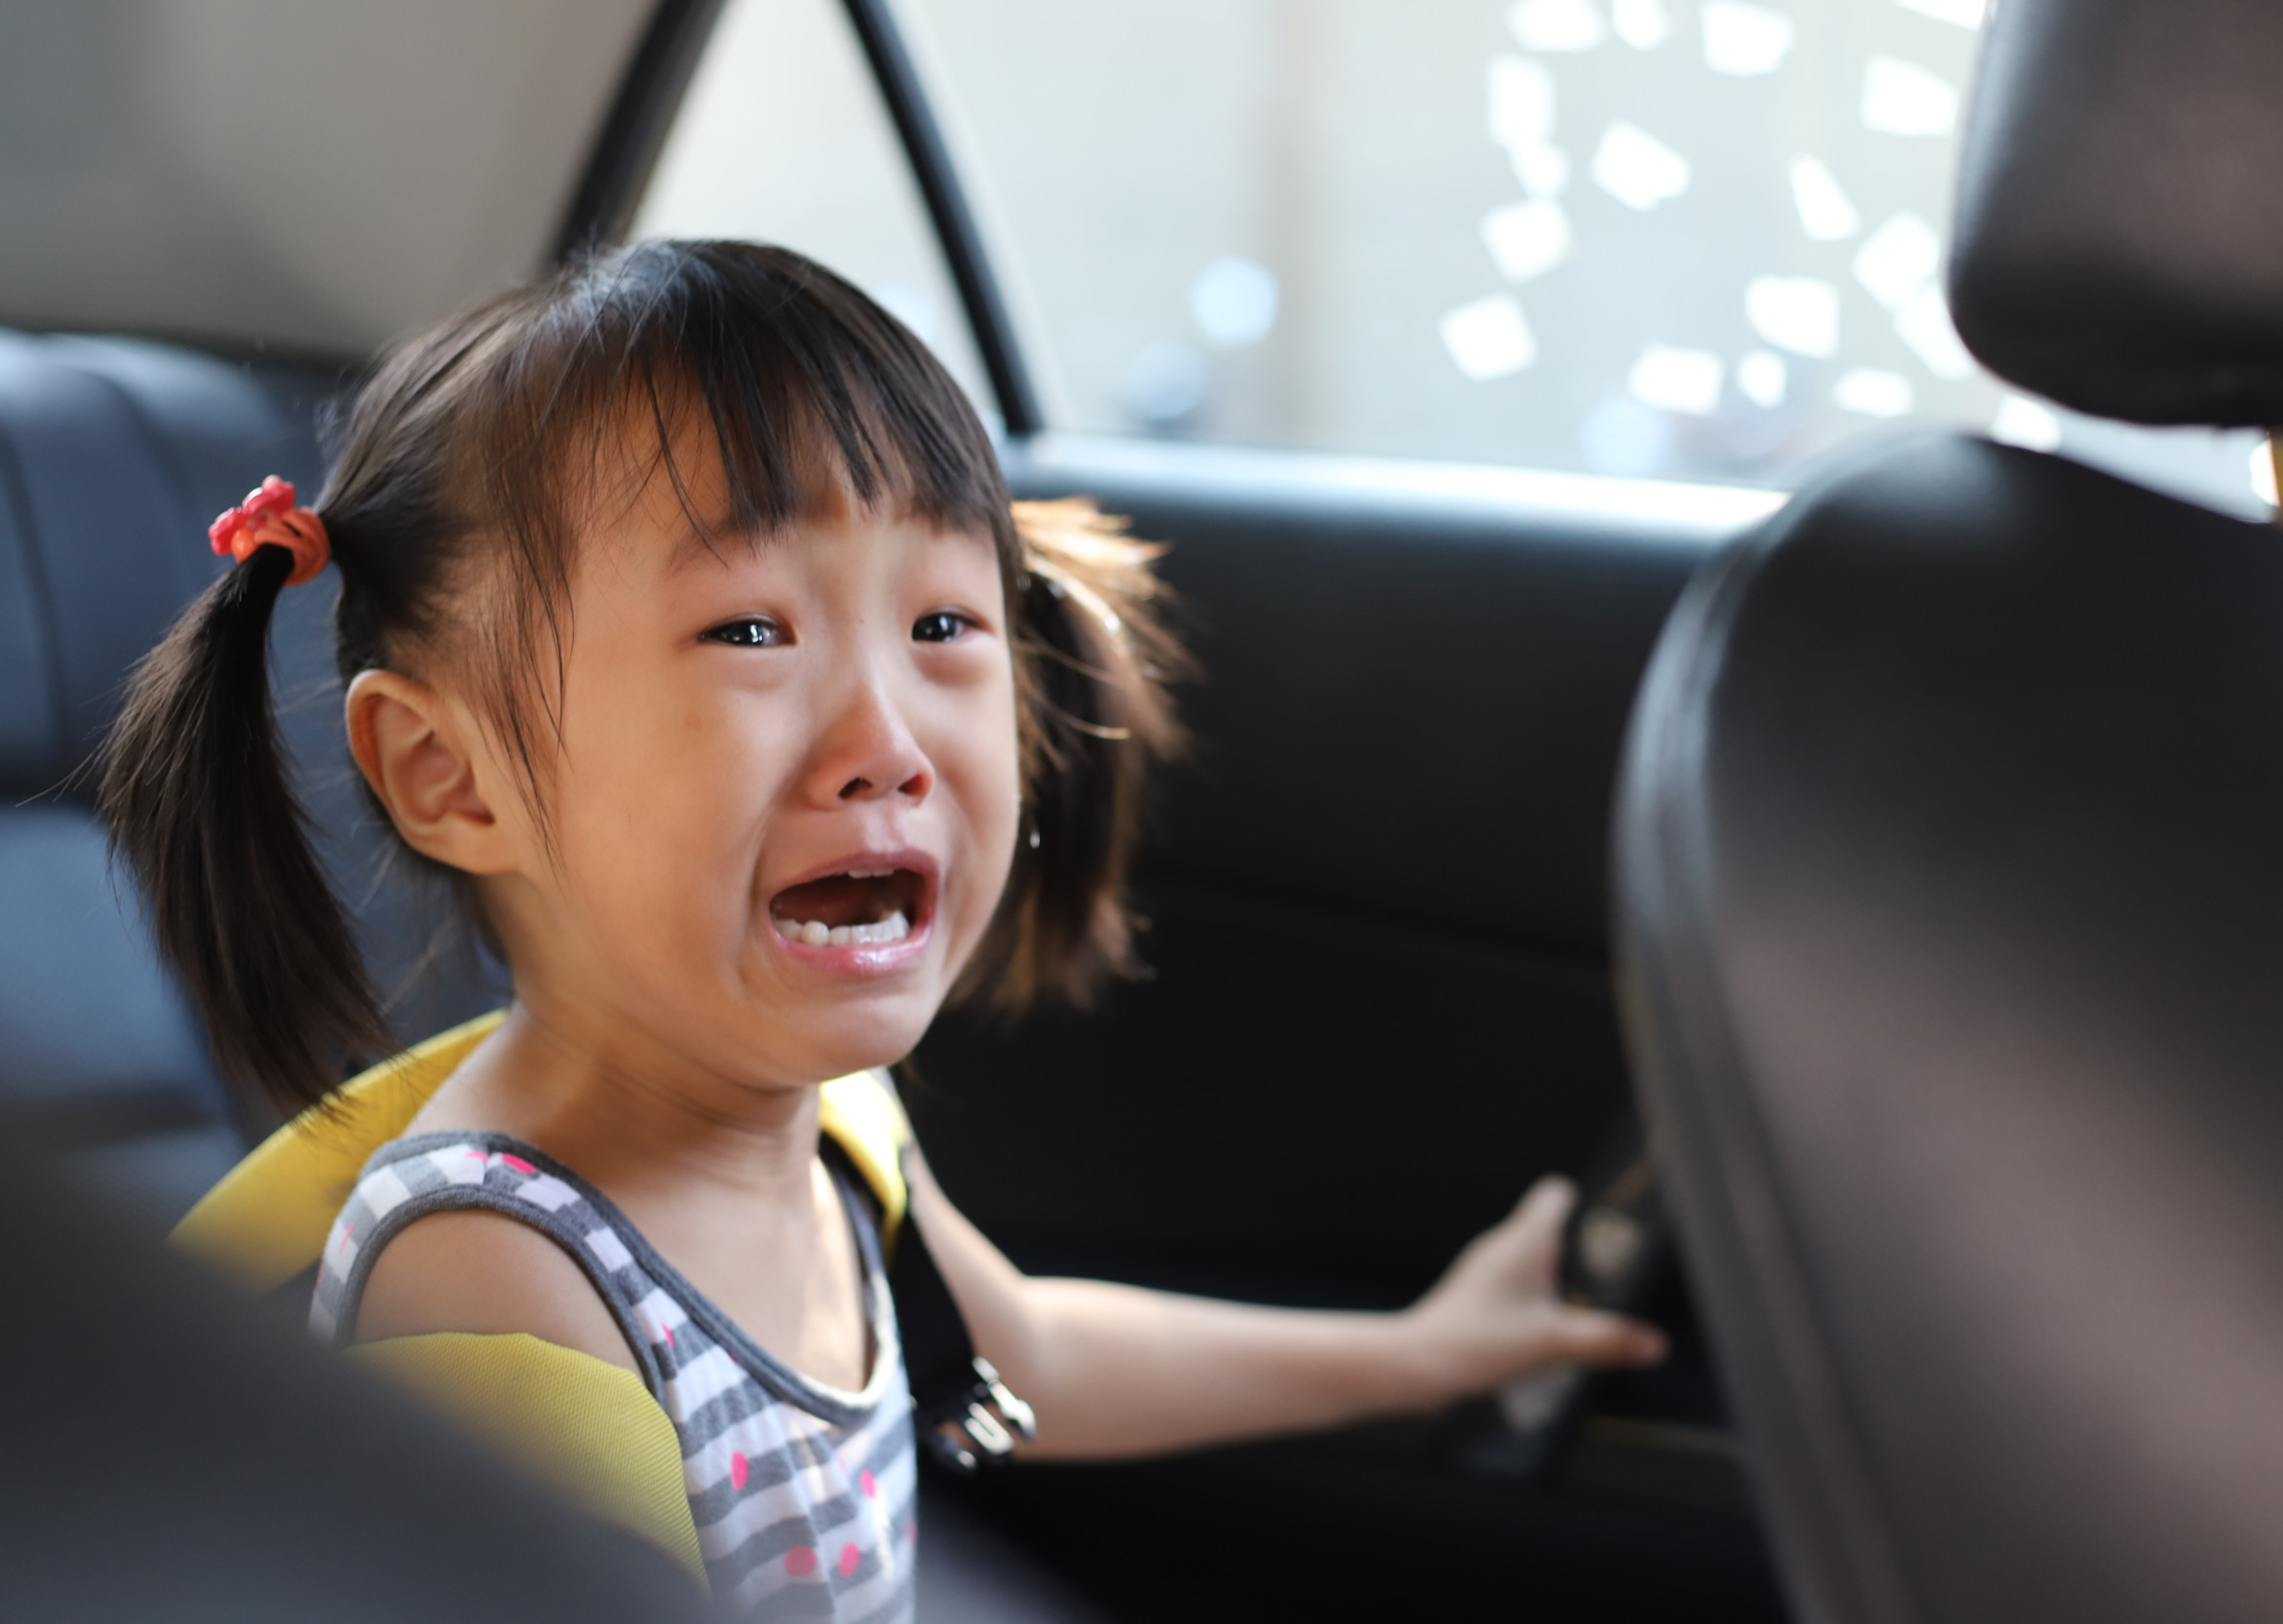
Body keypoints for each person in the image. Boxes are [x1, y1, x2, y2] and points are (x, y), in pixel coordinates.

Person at [102, 240, 1663, 1617]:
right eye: (750, 630)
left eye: (941, 626)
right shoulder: (499, 1279)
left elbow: (1020, 1358)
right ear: (450, 777)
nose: (889, 740)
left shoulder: (836, 1122)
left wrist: (1421, 1353)